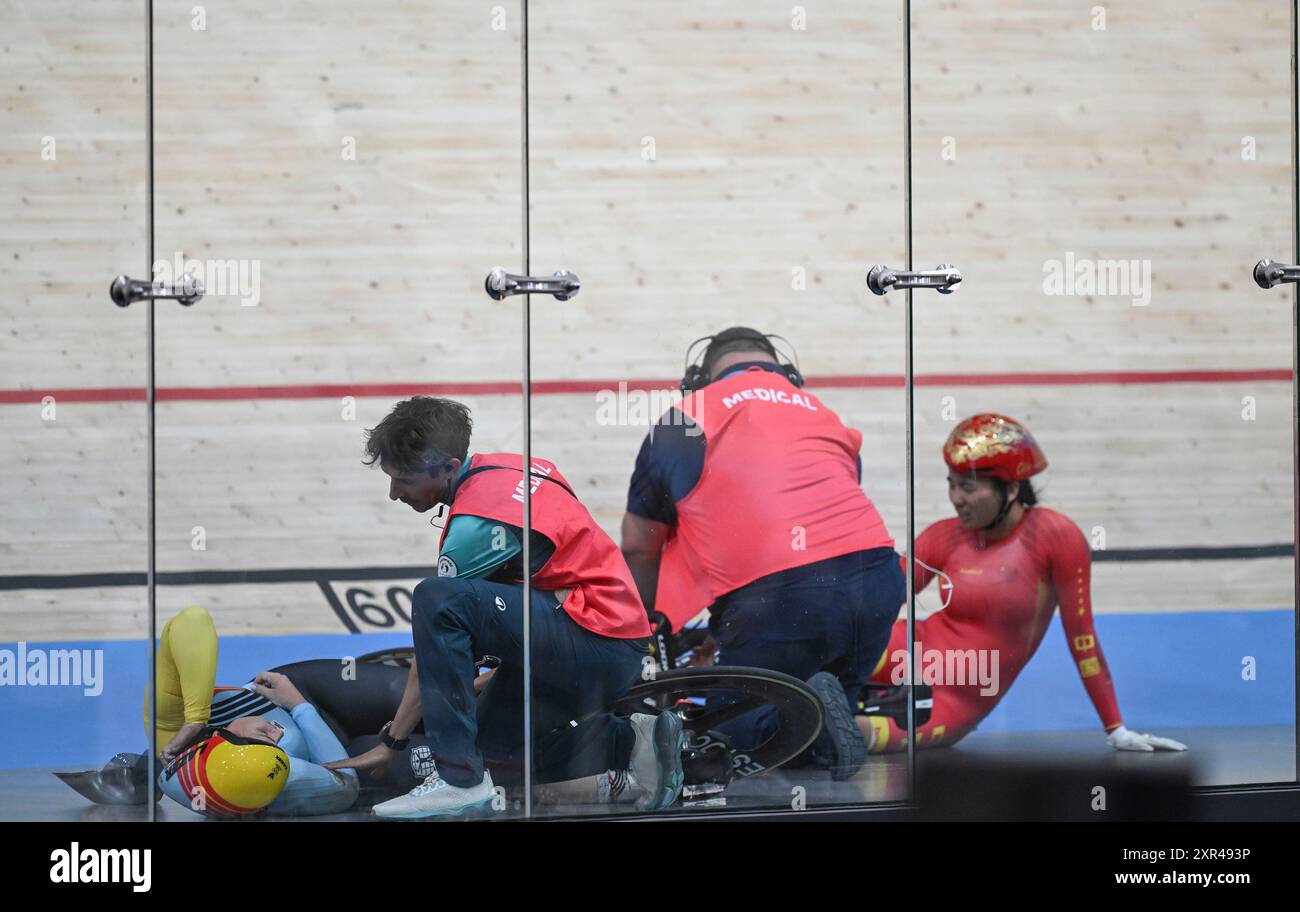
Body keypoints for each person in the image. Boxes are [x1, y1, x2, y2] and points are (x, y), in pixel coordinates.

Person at [329, 396, 684, 818]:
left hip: (597, 641)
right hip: (597, 636)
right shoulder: (514, 465)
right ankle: (634, 741)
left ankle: (457, 780)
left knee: (435, 596)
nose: (393, 494)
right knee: (494, 756)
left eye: (403, 480)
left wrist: (393, 741)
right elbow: (532, 587)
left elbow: (437, 635)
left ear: (446, 467)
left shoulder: (475, 528)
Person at [619, 327, 904, 780]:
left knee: (731, 739)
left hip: (778, 592)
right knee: (827, 721)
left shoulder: (684, 418)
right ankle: (826, 726)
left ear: (699, 378)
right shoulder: (822, 413)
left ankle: (800, 727)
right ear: (784, 371)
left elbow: (638, 546)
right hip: (876, 577)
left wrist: (636, 638)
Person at [858, 413, 1188, 755]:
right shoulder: (944, 536)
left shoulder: (1054, 537)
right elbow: (875, 603)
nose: (956, 497)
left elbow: (1082, 637)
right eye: (951, 483)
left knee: (853, 734)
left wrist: (1115, 727)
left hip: (958, 697)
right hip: (907, 651)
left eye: (968, 487)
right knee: (829, 651)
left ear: (1012, 489)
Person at [56, 605, 361, 818]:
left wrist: (194, 720)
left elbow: (192, 620)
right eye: (270, 736)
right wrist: (299, 705)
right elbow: (347, 784)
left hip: (267, 709)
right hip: (306, 706)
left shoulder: (171, 740)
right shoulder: (278, 773)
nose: (272, 730)